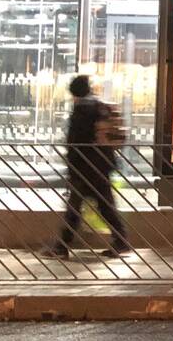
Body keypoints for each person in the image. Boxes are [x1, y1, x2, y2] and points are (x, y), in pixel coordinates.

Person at [46, 74, 131, 258]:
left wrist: (72, 168)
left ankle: (61, 247)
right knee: (105, 206)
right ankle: (121, 241)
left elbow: (75, 143)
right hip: (102, 166)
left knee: (74, 209)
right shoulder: (100, 107)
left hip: (85, 169)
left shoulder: (81, 110)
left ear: (74, 93)